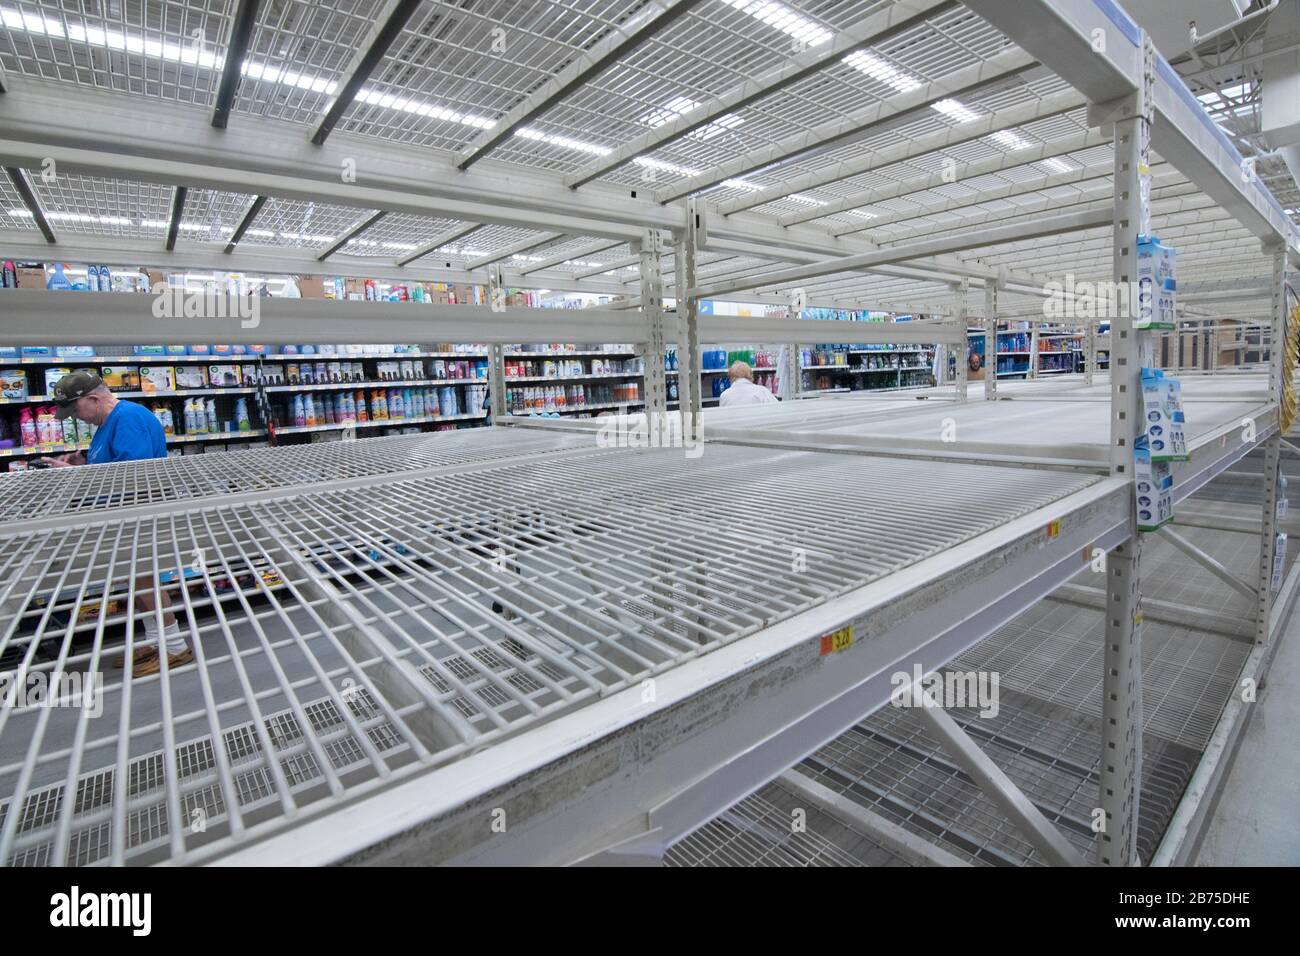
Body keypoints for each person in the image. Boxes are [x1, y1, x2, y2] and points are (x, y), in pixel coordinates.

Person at [43, 371, 193, 677]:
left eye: (75, 410)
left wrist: (75, 477)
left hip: (139, 512)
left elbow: (131, 478)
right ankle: (156, 640)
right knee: (136, 580)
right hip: (123, 517)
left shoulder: (127, 419)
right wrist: (82, 467)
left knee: (146, 579)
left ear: (94, 399)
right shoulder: (107, 424)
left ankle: (175, 647)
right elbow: (110, 468)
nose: (75, 418)